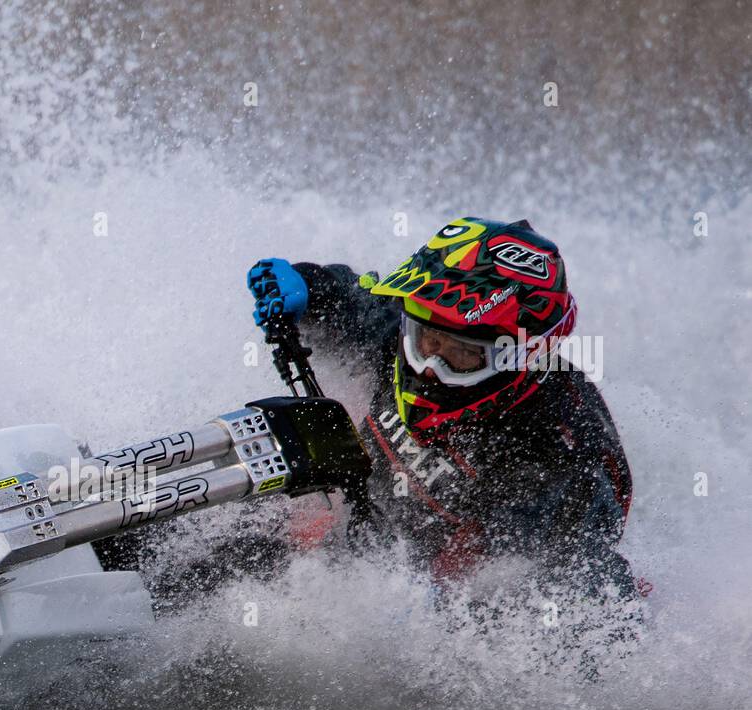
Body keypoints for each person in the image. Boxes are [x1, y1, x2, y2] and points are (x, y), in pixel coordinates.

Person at [247, 216, 638, 599]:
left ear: (519, 357)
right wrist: (309, 287)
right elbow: (353, 303)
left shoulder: (560, 460)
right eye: (428, 340)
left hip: (418, 602)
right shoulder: (413, 325)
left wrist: (422, 612)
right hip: (334, 524)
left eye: (462, 354)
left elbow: (589, 591)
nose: (431, 368)